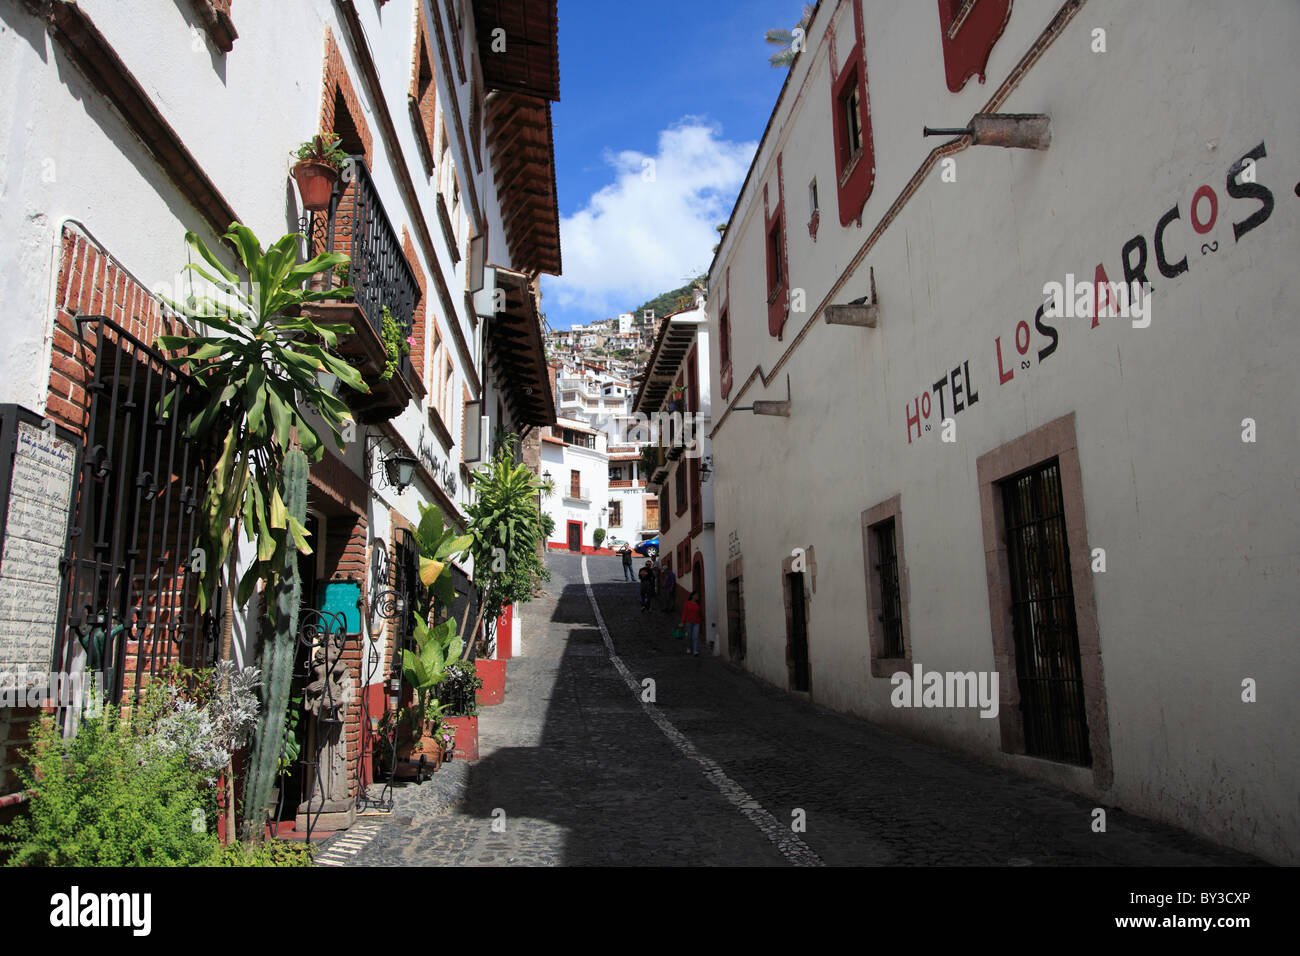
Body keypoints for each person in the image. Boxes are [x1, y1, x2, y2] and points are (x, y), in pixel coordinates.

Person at [680, 590, 702, 656]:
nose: (697, 596)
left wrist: (700, 619)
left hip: (696, 623)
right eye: (696, 595)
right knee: (689, 636)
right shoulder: (687, 603)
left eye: (697, 596)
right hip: (688, 622)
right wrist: (682, 622)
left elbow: (699, 613)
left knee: (695, 637)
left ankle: (695, 651)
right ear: (692, 596)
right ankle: (689, 647)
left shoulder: (698, 604)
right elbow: (684, 613)